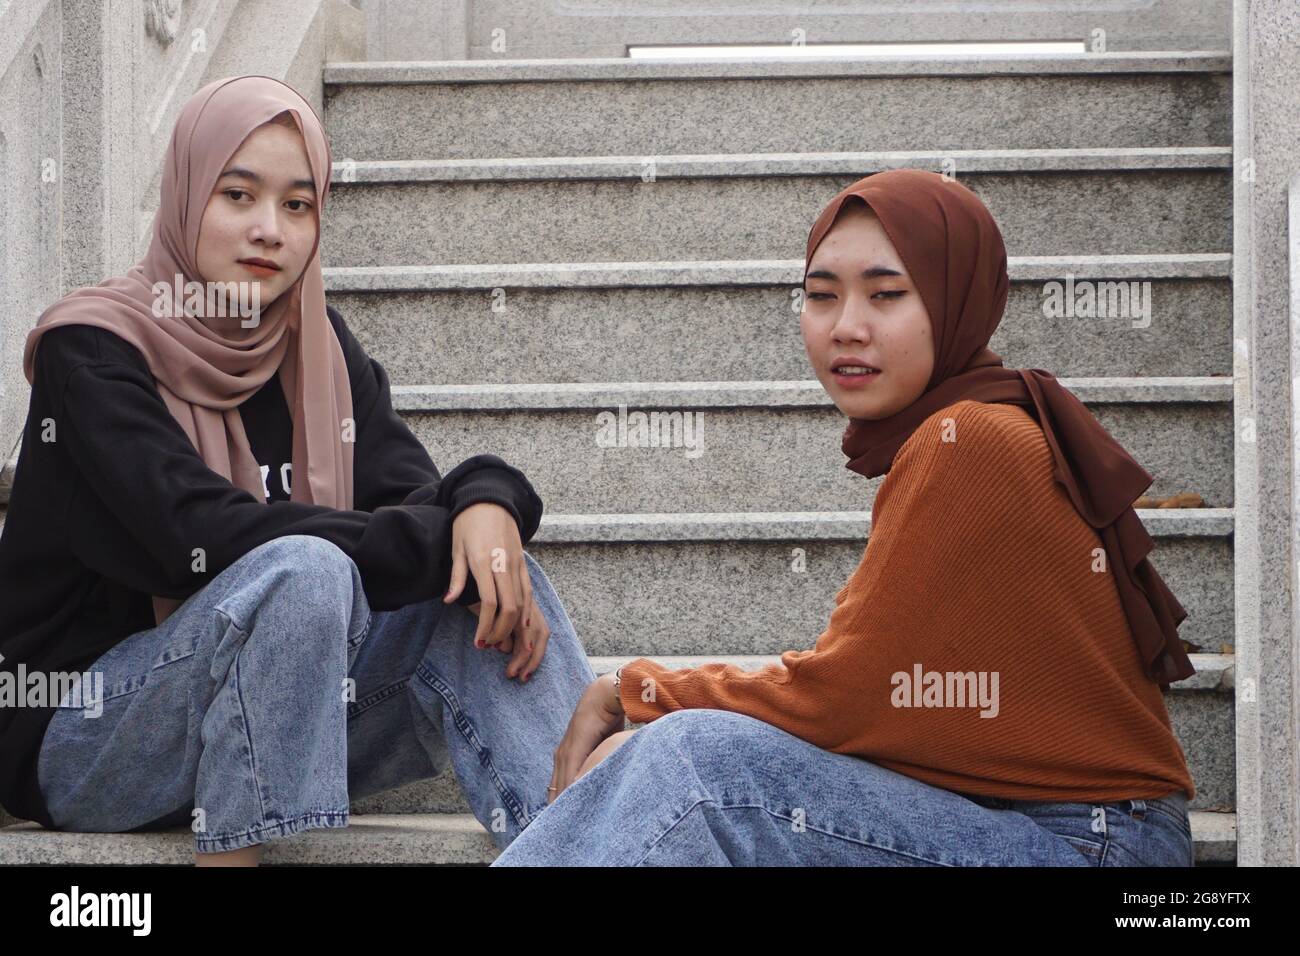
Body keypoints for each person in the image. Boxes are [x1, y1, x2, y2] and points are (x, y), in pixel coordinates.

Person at [492, 169, 1198, 867]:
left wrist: (631, 691)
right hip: (1032, 823)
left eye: (887, 295)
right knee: (657, 759)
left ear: (958, 301)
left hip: (1090, 845)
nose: (846, 327)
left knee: (691, 767)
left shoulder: (971, 441)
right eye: (821, 296)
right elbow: (902, 705)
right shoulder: (974, 427)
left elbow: (845, 699)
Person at [0, 75, 595, 865]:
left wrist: (487, 505)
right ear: (185, 195)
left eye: (297, 205)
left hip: (279, 710)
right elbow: (194, 537)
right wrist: (448, 521)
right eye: (238, 194)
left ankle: (593, 843)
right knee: (304, 572)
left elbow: (409, 489)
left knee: (486, 576)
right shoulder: (93, 350)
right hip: (84, 734)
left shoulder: (315, 348)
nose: (268, 230)